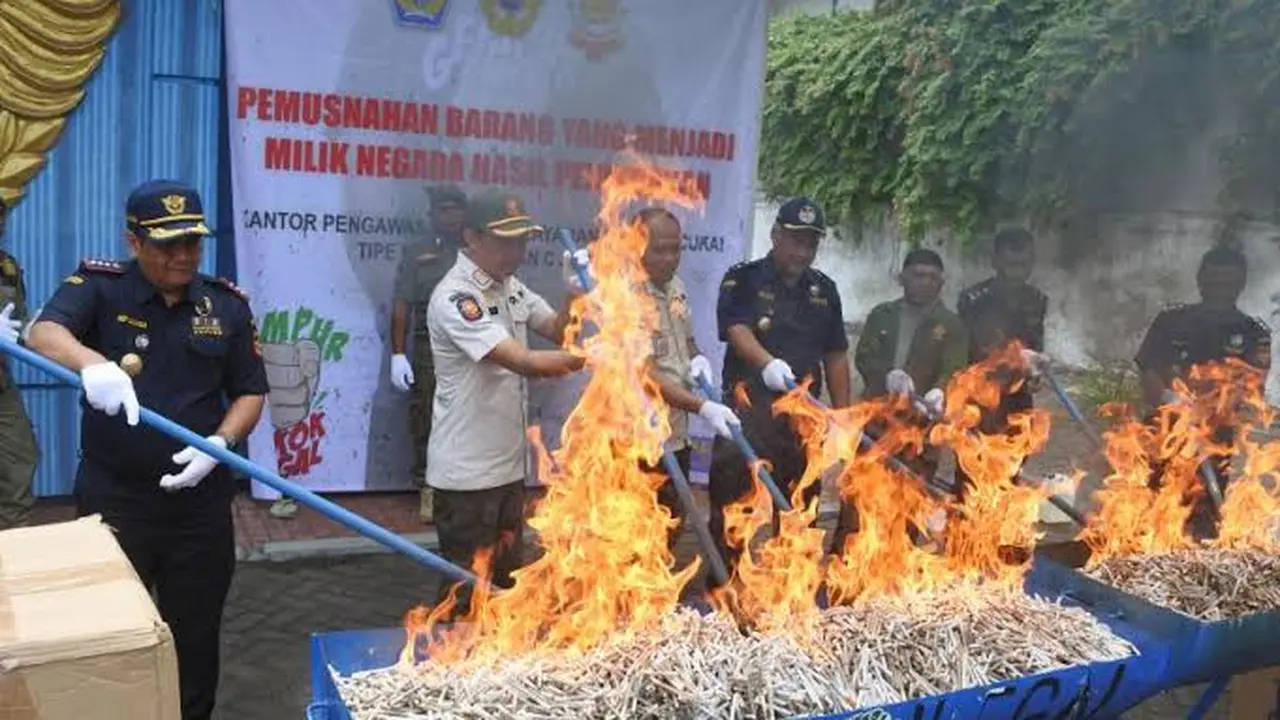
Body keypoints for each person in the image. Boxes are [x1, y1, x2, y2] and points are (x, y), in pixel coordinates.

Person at [26, 180, 268, 720]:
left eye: (192, 243)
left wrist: (221, 444)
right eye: (167, 244)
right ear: (133, 242)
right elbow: (43, 333)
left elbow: (251, 391)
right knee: (110, 634)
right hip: (116, 502)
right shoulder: (100, 287)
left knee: (195, 639)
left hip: (199, 510)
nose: (183, 256)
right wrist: (93, 364)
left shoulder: (224, 304)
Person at [426, 189, 584, 609]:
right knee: (464, 595)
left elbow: (556, 329)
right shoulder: (457, 297)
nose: (517, 250)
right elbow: (527, 362)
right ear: (472, 238)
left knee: (505, 588)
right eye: (505, 240)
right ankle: (448, 669)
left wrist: (573, 295)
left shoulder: (509, 286)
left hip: (507, 470)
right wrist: (594, 359)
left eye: (523, 239)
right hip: (468, 476)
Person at [708, 197, 853, 580]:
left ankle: (790, 590)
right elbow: (736, 330)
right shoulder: (744, 278)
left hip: (801, 422)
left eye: (810, 243)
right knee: (731, 510)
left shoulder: (825, 290)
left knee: (798, 511)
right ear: (775, 236)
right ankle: (725, 589)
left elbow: (836, 355)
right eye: (795, 240)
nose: (802, 251)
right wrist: (766, 363)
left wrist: (842, 417)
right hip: (748, 416)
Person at [1134, 245, 1272, 538]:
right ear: (1200, 281)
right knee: (1152, 506)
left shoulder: (1252, 333)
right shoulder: (1171, 321)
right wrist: (1169, 398)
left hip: (1214, 438)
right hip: (1164, 430)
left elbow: (1252, 386)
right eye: (1214, 283)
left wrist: (1208, 410)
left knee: (1204, 514)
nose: (1220, 291)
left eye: (1228, 284)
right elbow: (1148, 368)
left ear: (1241, 285)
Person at [632, 207, 740, 553]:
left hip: (675, 433)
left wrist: (698, 359)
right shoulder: (626, 298)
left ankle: (659, 598)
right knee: (637, 532)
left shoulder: (675, 287)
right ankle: (629, 605)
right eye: (660, 249)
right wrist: (703, 406)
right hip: (637, 439)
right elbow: (645, 376)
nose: (671, 258)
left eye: (676, 249)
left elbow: (686, 337)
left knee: (673, 522)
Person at [845, 249, 967, 548]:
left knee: (910, 502)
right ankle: (846, 572)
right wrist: (886, 375)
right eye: (917, 274)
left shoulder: (951, 325)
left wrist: (942, 392)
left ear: (942, 283)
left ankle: (898, 570)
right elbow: (864, 356)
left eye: (932, 277)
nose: (925, 282)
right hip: (876, 422)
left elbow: (955, 369)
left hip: (920, 430)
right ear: (902, 278)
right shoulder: (881, 315)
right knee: (859, 499)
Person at [389, 184, 467, 525]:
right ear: (431, 216)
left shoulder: (478, 249)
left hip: (473, 346)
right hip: (429, 347)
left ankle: (465, 492)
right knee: (427, 417)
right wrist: (397, 354)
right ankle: (429, 489)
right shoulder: (417, 252)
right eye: (441, 211)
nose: (448, 218)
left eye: (454, 210)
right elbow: (402, 303)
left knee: (469, 418)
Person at [955, 227, 1049, 491]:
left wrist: (1034, 372)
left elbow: (1034, 342)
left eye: (1024, 265)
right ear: (995, 262)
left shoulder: (1037, 300)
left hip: (1017, 399)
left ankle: (1001, 529)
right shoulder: (974, 300)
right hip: (981, 397)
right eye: (1011, 264)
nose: (1017, 272)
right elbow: (972, 353)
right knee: (971, 473)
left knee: (1011, 470)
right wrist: (1014, 357)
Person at [0, 196, 37, 530]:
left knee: (20, 458)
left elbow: (18, 326)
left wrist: (34, 331)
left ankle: (14, 555)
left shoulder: (7, 267)